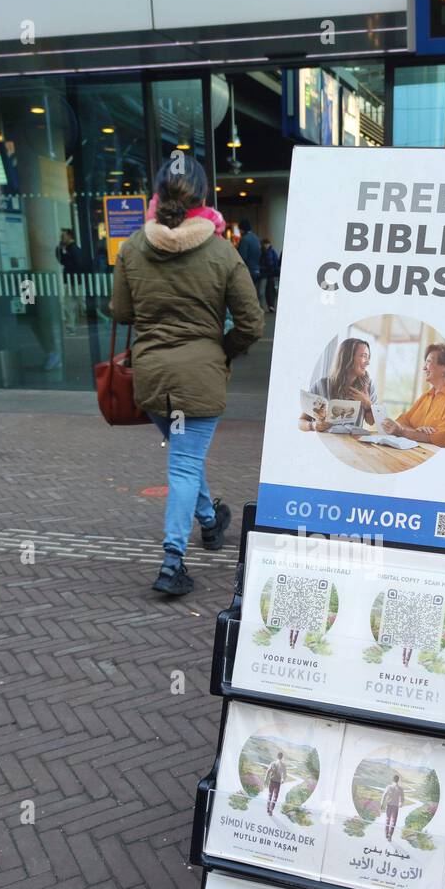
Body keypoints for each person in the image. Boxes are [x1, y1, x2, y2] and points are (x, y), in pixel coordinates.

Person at [110, 154, 264, 596]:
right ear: (203, 195)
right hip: (200, 378)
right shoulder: (221, 251)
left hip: (153, 379)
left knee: (183, 458)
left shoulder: (134, 247)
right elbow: (251, 322)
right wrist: (224, 351)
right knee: (183, 463)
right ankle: (172, 562)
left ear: (157, 196)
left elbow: (121, 311)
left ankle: (212, 522)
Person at [382, 343, 445, 447]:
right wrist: (418, 433)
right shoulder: (427, 395)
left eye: (428, 362)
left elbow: (444, 438)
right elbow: (401, 421)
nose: (424, 368)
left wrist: (403, 432)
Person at [300, 337, 378, 434]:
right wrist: (313, 425)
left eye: (368, 357)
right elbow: (301, 421)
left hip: (353, 444)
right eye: (363, 356)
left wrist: (367, 404)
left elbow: (371, 422)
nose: (368, 362)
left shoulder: (368, 386)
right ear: (347, 357)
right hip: (328, 444)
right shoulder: (321, 385)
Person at [56, 228, 84, 331]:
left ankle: (71, 324)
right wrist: (59, 248)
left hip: (75, 281)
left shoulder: (73, 249)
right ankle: (71, 325)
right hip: (74, 281)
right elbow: (62, 260)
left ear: (69, 236)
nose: (61, 238)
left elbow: (72, 264)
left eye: (63, 236)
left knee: (77, 303)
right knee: (72, 303)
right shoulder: (69, 249)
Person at [237, 219, 262, 292]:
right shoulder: (256, 238)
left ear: (242, 229)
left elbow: (242, 257)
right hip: (257, 270)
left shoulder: (245, 239)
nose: (239, 232)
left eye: (239, 230)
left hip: (248, 272)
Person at [380, 774, 404, 842]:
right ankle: (390, 836)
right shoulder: (400, 789)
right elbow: (402, 799)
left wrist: (382, 804)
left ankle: (386, 834)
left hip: (389, 805)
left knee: (387, 820)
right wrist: (400, 804)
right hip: (396, 807)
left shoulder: (388, 787)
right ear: (398, 780)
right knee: (393, 821)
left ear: (392, 780)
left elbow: (384, 796)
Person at [259, 238, 280, 313]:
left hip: (267, 273)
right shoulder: (272, 251)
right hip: (271, 273)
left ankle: (270, 306)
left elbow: (269, 263)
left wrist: (262, 268)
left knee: (267, 290)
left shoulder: (267, 252)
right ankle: (271, 306)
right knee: (270, 290)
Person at [264, 751, 287, 816]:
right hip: (277, 782)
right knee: (275, 797)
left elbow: (268, 771)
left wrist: (266, 779)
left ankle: (268, 808)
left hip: (272, 781)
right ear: (282, 757)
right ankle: (271, 810)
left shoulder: (273, 763)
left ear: (277, 756)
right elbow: (285, 775)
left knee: (270, 795)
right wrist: (283, 780)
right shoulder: (283, 765)